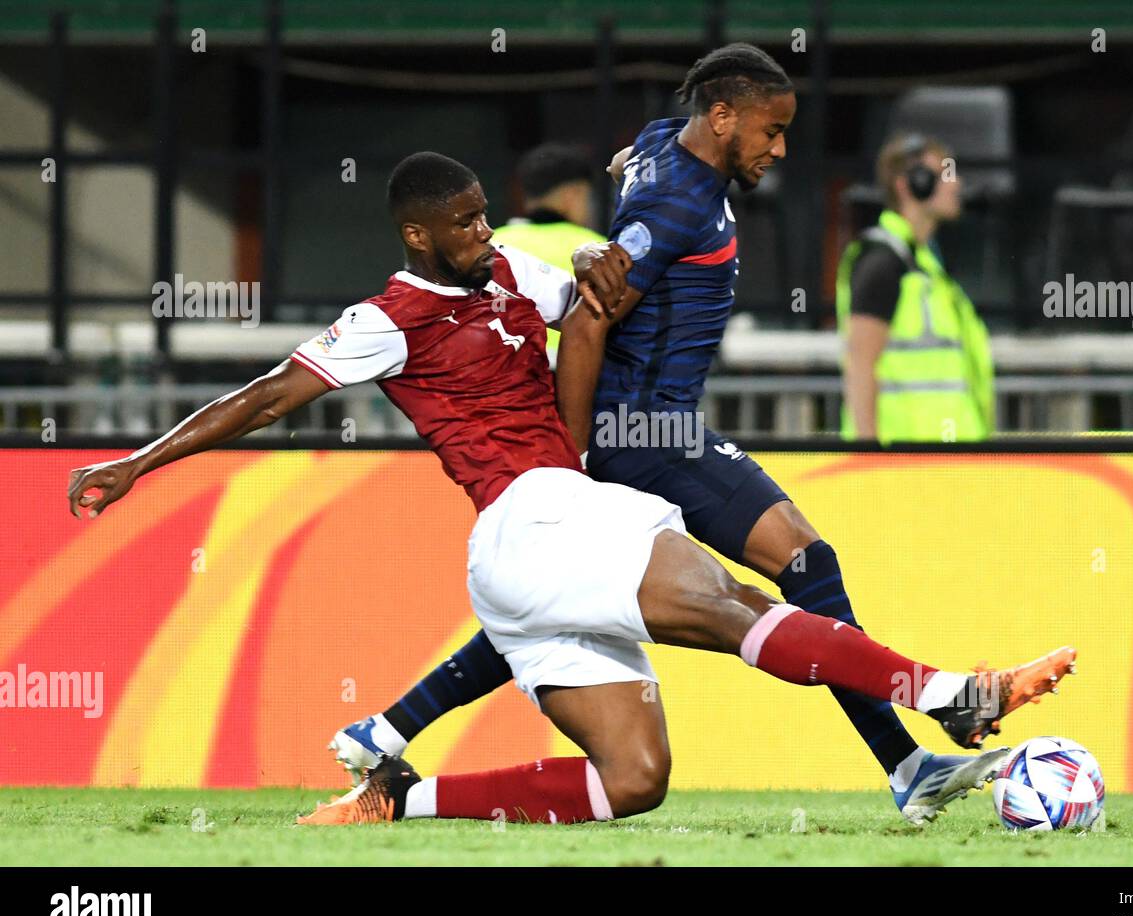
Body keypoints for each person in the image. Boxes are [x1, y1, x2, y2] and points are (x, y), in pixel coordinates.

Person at [67, 151, 1074, 826]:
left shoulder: (509, 271)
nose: (480, 231)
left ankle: (394, 796)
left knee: (636, 782)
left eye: (480, 215)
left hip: (532, 555)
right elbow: (264, 396)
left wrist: (603, 258)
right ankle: (947, 693)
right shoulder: (389, 315)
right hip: (530, 514)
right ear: (416, 237)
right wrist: (135, 462)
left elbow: (591, 301)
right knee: (735, 605)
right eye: (460, 224)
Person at [330, 45, 1015, 826]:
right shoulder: (676, 206)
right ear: (721, 118)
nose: (779, 148)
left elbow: (640, 151)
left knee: (567, 605)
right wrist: (577, 457)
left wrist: (630, 171)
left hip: (663, 422)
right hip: (645, 429)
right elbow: (590, 315)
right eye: (771, 129)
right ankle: (911, 753)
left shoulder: (664, 140)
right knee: (799, 565)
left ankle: (385, 729)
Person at [838, 133, 995, 443]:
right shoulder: (882, 264)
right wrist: (869, 456)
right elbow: (861, 367)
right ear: (910, 184)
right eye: (945, 174)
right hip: (901, 464)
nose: (957, 184)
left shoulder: (927, 268)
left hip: (941, 459)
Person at [492, 143, 606, 354]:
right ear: (573, 194)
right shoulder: (597, 248)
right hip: (572, 371)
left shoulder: (492, 244)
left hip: (509, 371)